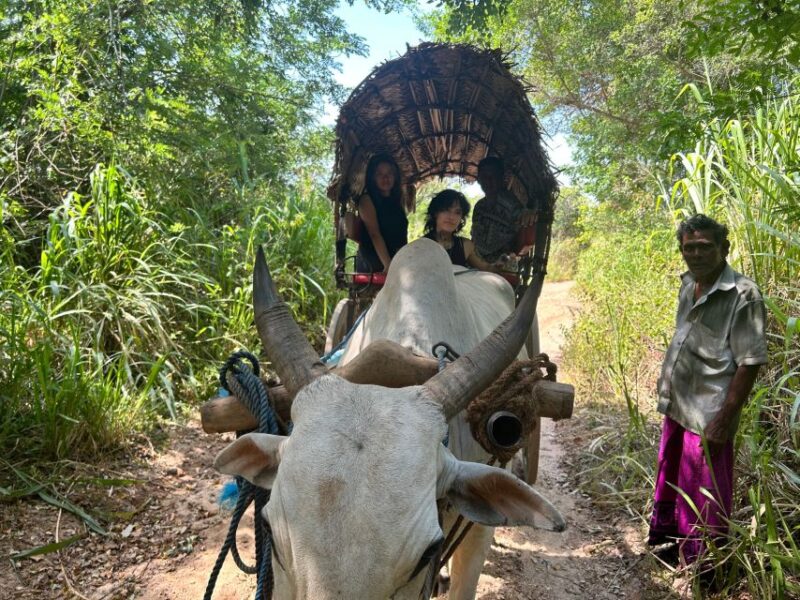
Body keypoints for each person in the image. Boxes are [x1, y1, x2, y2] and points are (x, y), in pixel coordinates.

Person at [648, 214, 767, 568]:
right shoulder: (689, 286)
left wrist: (724, 420)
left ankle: (705, 569)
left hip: (709, 413)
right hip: (679, 404)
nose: (696, 254)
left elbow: (749, 363)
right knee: (674, 477)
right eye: (689, 248)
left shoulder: (743, 295)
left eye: (705, 247)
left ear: (724, 248)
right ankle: (673, 549)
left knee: (705, 492)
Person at [471, 156, 535, 265]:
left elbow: (524, 217)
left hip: (501, 265)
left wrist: (529, 214)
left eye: (493, 176)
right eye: (484, 177)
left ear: (501, 178)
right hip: (476, 263)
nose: (488, 181)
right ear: (479, 179)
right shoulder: (479, 206)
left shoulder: (511, 204)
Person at [354, 153, 408, 273]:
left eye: (389, 173)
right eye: (379, 174)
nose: (385, 178)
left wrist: (402, 262)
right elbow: (374, 234)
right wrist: (388, 265)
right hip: (375, 261)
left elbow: (401, 236)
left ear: (395, 176)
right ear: (372, 178)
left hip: (396, 260)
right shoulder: (366, 200)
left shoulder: (397, 202)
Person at [423, 189, 497, 271]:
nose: (451, 217)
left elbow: (487, 268)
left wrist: (500, 265)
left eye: (457, 212)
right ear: (435, 213)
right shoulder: (421, 245)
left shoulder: (465, 245)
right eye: (446, 210)